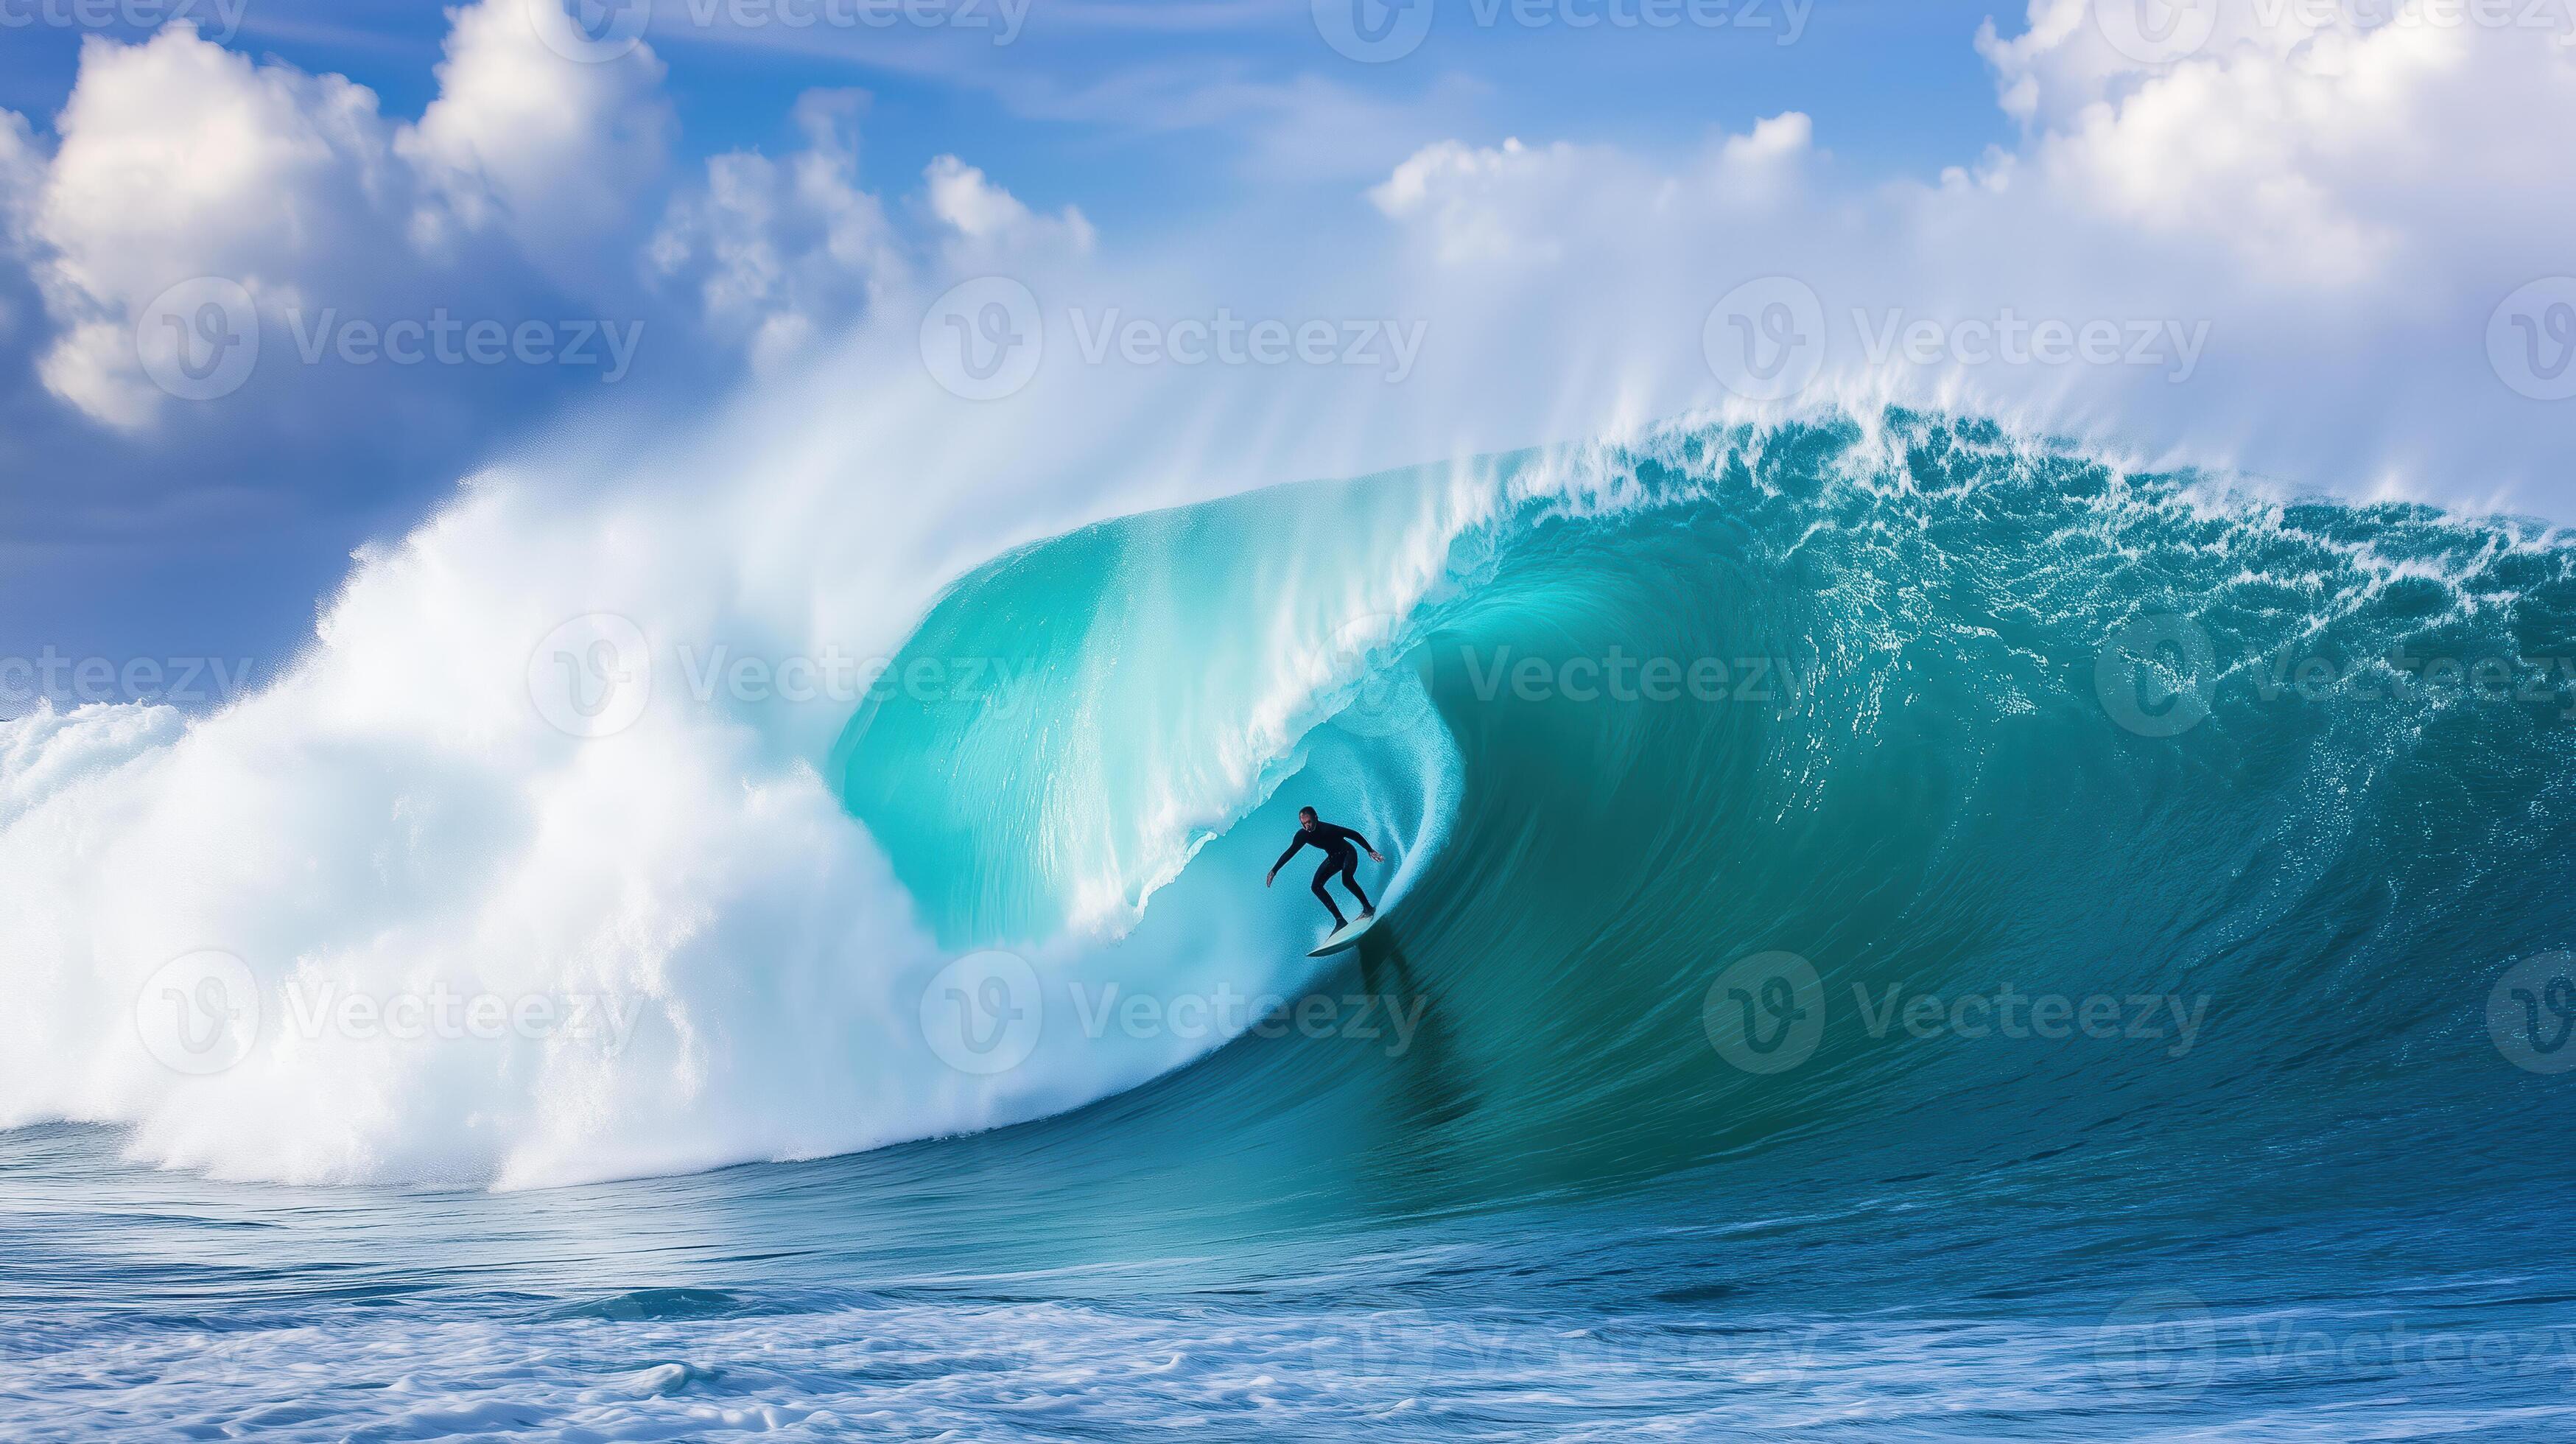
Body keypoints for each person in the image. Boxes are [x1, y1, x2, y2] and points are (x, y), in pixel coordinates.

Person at [1266, 806, 1385, 929]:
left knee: (1347, 880)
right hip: (1334, 858)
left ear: (1316, 818)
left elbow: (1353, 834)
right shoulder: (1303, 835)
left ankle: (1368, 908)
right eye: (1304, 824)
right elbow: (1291, 851)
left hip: (1348, 853)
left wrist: (1370, 850)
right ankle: (1340, 921)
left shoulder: (1328, 829)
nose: (1307, 826)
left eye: (1309, 822)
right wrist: (1274, 870)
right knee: (1316, 886)